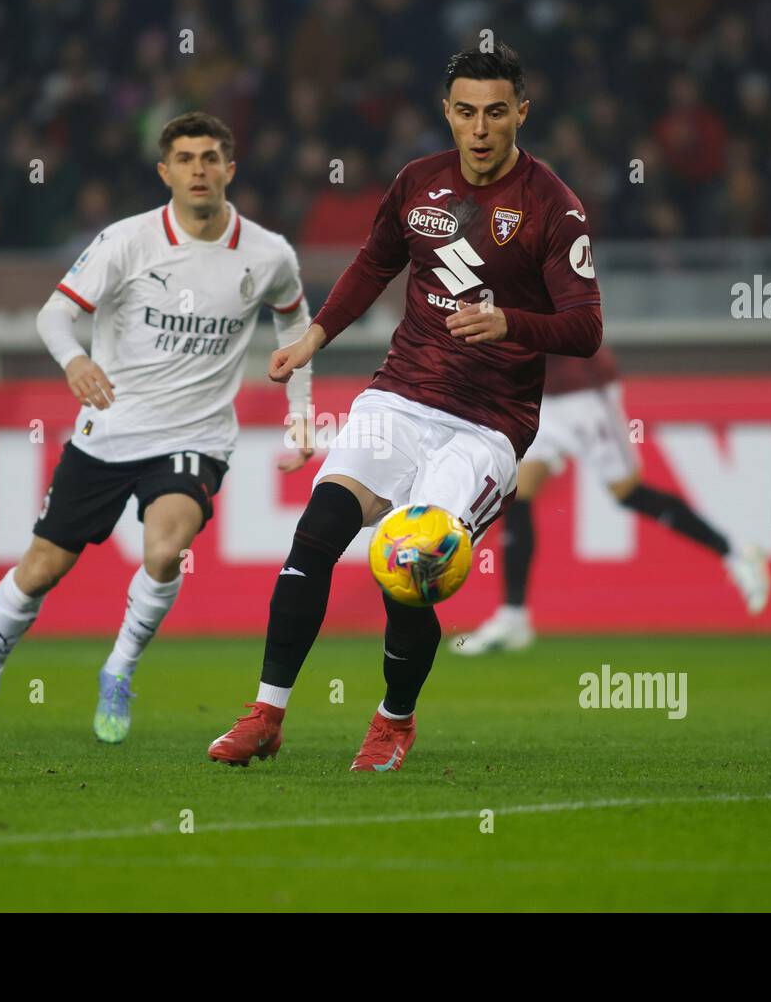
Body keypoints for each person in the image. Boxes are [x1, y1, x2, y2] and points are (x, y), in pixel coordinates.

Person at [207, 44, 602, 772]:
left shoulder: (553, 206)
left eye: (494, 112)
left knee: (410, 566)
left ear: (521, 111)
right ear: (445, 113)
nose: (479, 129)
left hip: (487, 427)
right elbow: (372, 265)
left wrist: (512, 322)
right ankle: (266, 712)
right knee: (318, 529)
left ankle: (394, 721)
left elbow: (585, 327)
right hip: (400, 395)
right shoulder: (417, 183)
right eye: (465, 112)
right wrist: (313, 336)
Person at [0, 112, 313, 746]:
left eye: (210, 157)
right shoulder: (126, 241)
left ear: (231, 168)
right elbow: (54, 316)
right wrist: (76, 360)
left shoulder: (269, 254)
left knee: (166, 550)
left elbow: (295, 325)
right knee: (40, 568)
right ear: (164, 171)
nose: (199, 169)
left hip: (195, 436)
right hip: (109, 433)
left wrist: (301, 416)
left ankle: (118, 669)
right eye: (186, 158)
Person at [456, 347, 771, 655]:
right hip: (541, 396)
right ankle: (514, 617)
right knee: (518, 492)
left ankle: (735, 552)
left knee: (627, 492)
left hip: (583, 394)